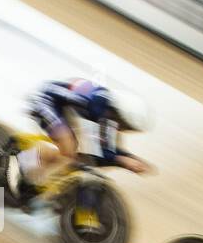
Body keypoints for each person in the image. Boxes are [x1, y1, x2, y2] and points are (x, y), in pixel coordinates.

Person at [14, 78, 152, 204]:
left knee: (78, 157)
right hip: (46, 100)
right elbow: (96, 150)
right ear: (120, 113)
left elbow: (100, 155)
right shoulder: (98, 105)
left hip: (62, 107)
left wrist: (130, 159)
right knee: (68, 146)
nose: (125, 129)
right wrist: (122, 160)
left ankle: (33, 176)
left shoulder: (109, 114)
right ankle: (23, 162)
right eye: (126, 125)